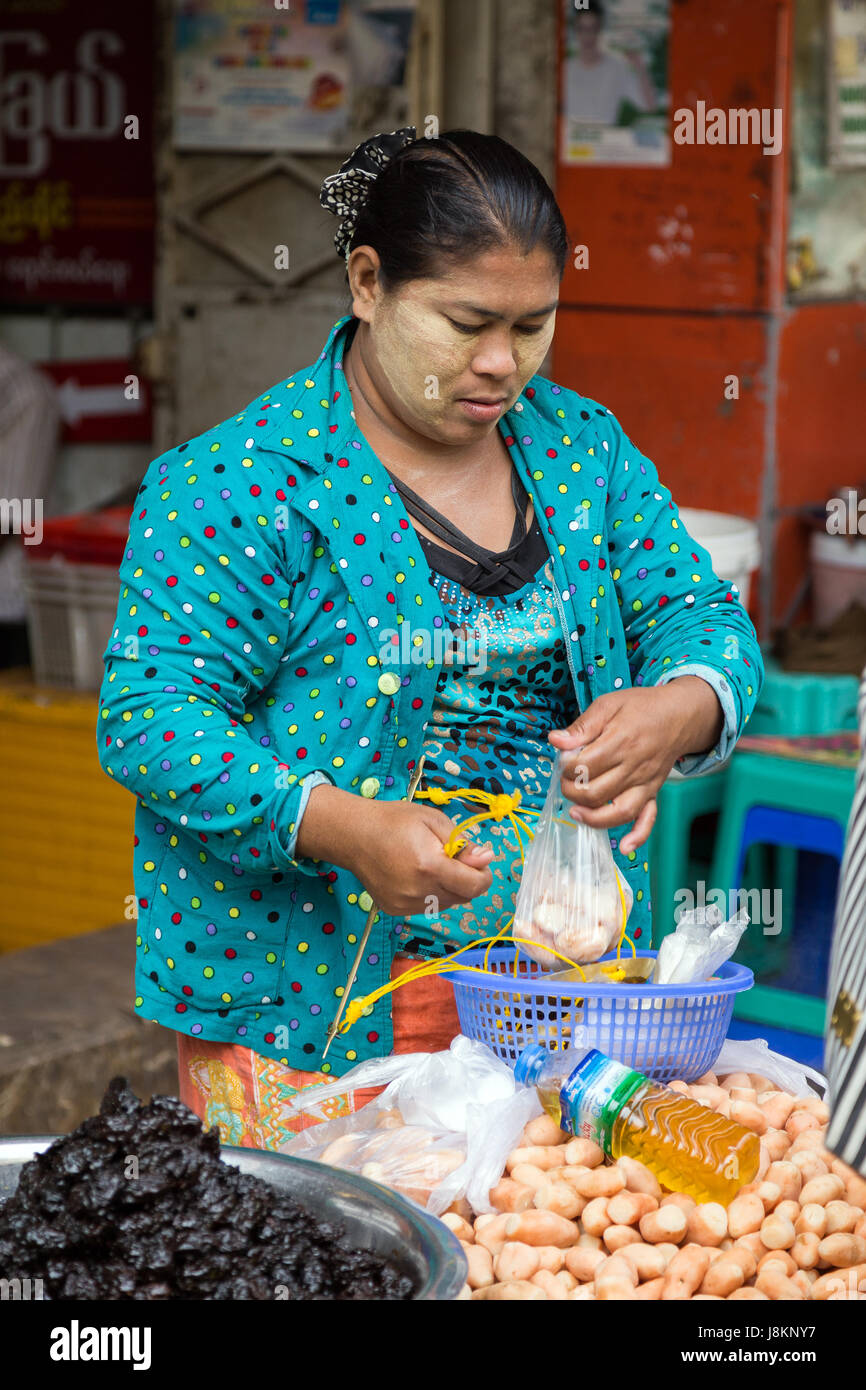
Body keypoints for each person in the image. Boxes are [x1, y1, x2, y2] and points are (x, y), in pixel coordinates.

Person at [96, 127, 763, 1147]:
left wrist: (679, 706)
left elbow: (699, 615)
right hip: (314, 1002)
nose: (501, 364)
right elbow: (149, 718)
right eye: (465, 323)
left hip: (551, 988)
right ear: (366, 283)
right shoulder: (242, 482)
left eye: (532, 326)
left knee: (525, 1255)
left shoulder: (581, 450)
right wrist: (336, 824)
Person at [564, 0, 655, 127]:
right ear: (575, 30)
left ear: (600, 29)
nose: (587, 35)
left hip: (605, 144)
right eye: (582, 28)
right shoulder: (565, 70)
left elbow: (648, 106)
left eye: (593, 28)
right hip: (572, 143)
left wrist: (640, 67)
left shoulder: (617, 67)